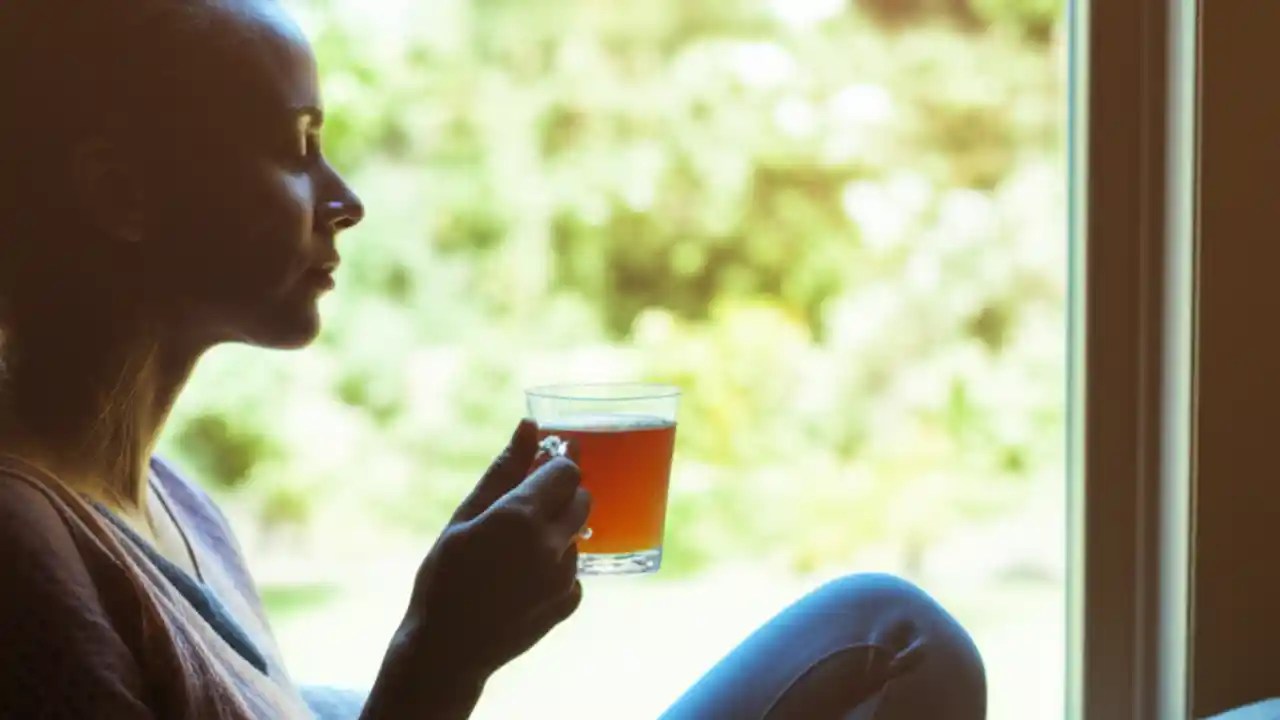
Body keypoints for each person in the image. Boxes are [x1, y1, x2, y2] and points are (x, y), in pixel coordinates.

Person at [0, 0, 985, 717]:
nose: (344, 199)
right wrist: (439, 657)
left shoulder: (169, 501)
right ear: (123, 194)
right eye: (298, 146)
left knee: (887, 632)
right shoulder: (24, 550)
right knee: (895, 642)